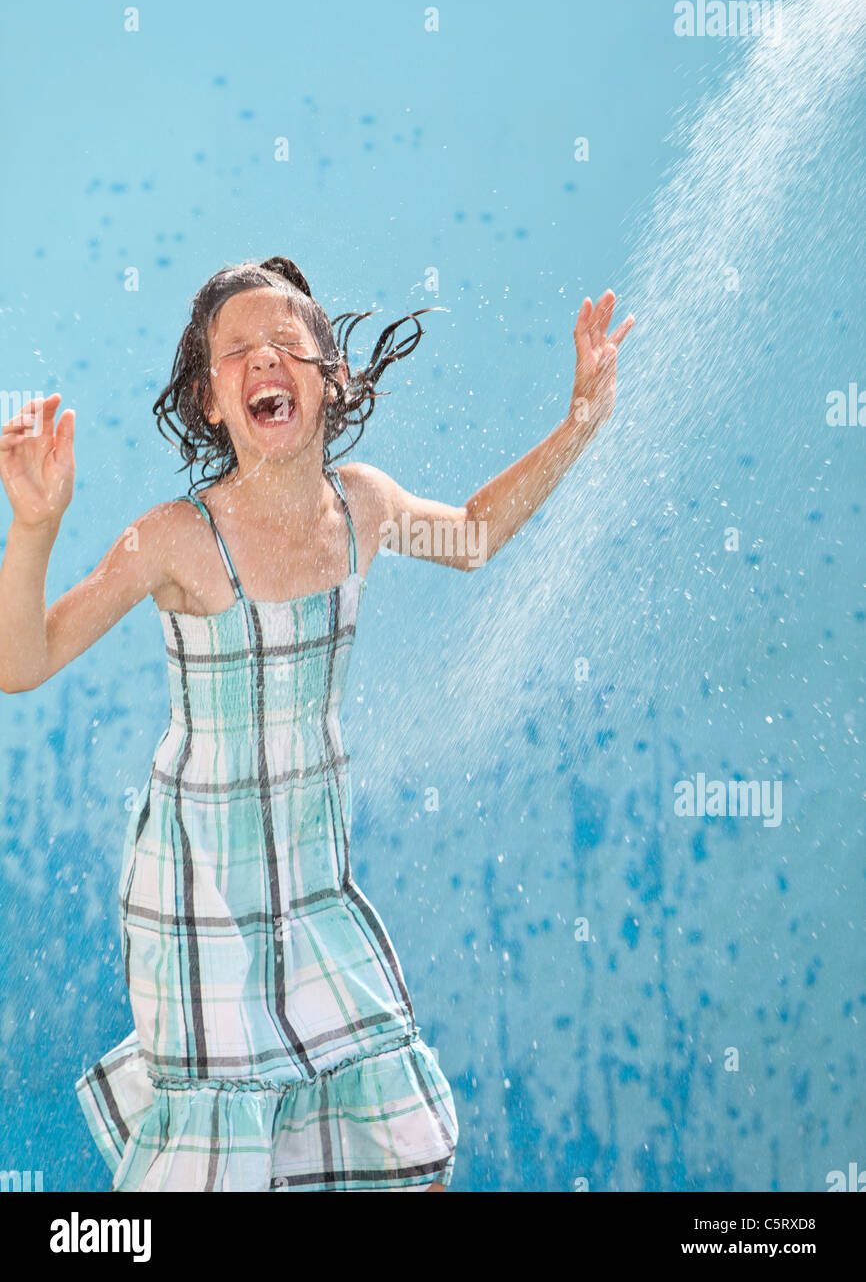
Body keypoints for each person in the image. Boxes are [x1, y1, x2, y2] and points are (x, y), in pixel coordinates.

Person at [0, 256, 634, 1191]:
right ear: (211, 402)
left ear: (330, 377)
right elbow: (21, 663)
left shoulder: (363, 505)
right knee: (221, 1147)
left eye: (286, 342)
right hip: (195, 887)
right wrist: (35, 530)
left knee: (406, 1148)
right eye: (236, 351)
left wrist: (580, 420)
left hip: (309, 879)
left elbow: (473, 534)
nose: (264, 359)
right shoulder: (176, 537)